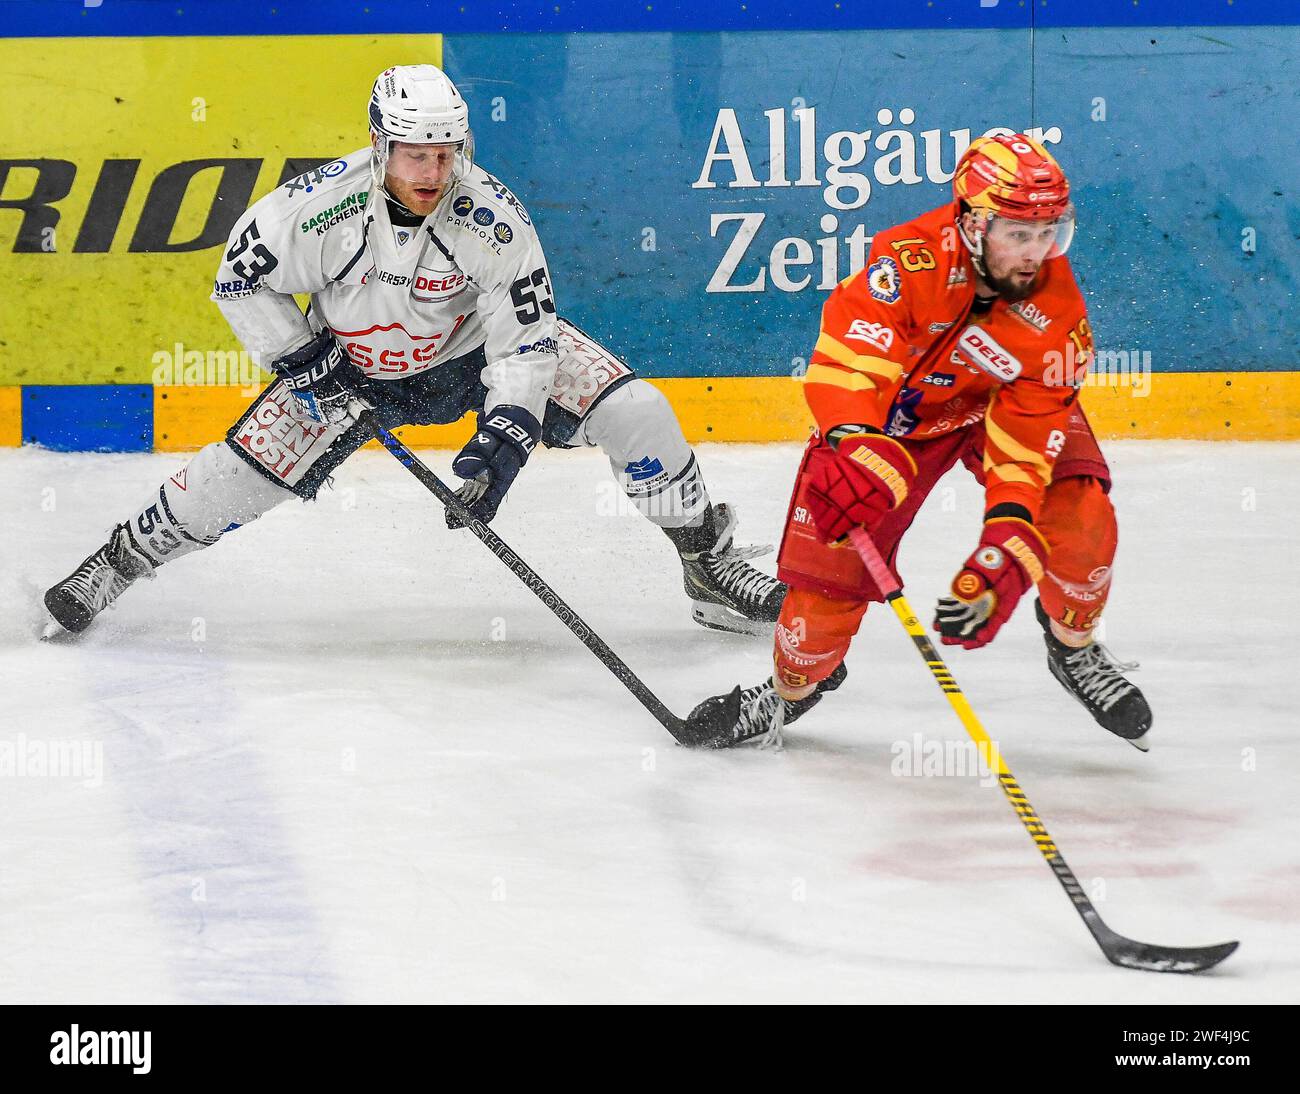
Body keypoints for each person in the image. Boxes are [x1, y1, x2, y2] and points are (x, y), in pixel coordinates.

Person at [42, 64, 784, 639]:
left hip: (470, 358)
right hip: (347, 374)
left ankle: (706, 562)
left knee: (638, 410)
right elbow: (239, 279)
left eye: (445, 154)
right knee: (225, 483)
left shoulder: (492, 218)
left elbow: (525, 338)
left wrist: (508, 435)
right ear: (381, 146)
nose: (432, 173)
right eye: (415, 155)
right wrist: (301, 357)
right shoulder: (317, 209)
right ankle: (117, 563)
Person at [690, 134, 1152, 750]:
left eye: (1050, 233)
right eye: (1019, 233)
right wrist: (853, 439)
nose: (1036, 253)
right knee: (820, 607)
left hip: (988, 410)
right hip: (887, 428)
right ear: (972, 223)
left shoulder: (1056, 309)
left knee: (1082, 514)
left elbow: (1028, 436)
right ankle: (788, 692)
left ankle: (1074, 646)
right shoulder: (908, 262)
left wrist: (1007, 535)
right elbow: (849, 361)